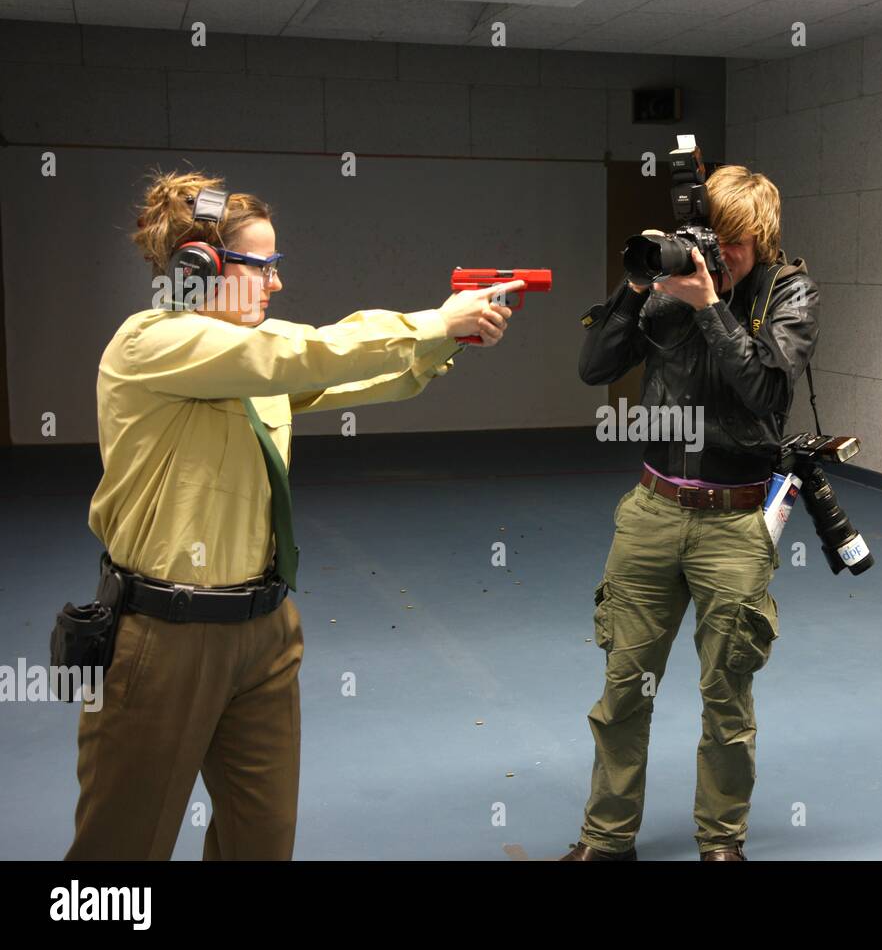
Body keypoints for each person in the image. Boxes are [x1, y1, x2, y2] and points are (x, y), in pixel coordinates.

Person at [66, 169, 518, 860]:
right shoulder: (150, 342)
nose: (276, 283)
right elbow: (299, 352)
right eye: (262, 266)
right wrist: (431, 322)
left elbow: (342, 369)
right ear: (202, 267)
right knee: (118, 855)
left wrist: (446, 339)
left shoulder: (252, 361)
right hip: (165, 637)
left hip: (265, 631)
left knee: (262, 843)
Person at [562, 166, 818, 861]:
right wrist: (638, 284)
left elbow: (765, 389)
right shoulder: (664, 292)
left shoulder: (786, 292)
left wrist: (711, 304)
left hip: (734, 522)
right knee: (622, 688)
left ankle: (721, 842)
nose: (716, 255)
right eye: (708, 240)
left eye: (731, 243)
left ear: (759, 240)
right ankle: (606, 840)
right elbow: (594, 367)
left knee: (726, 693)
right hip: (651, 510)